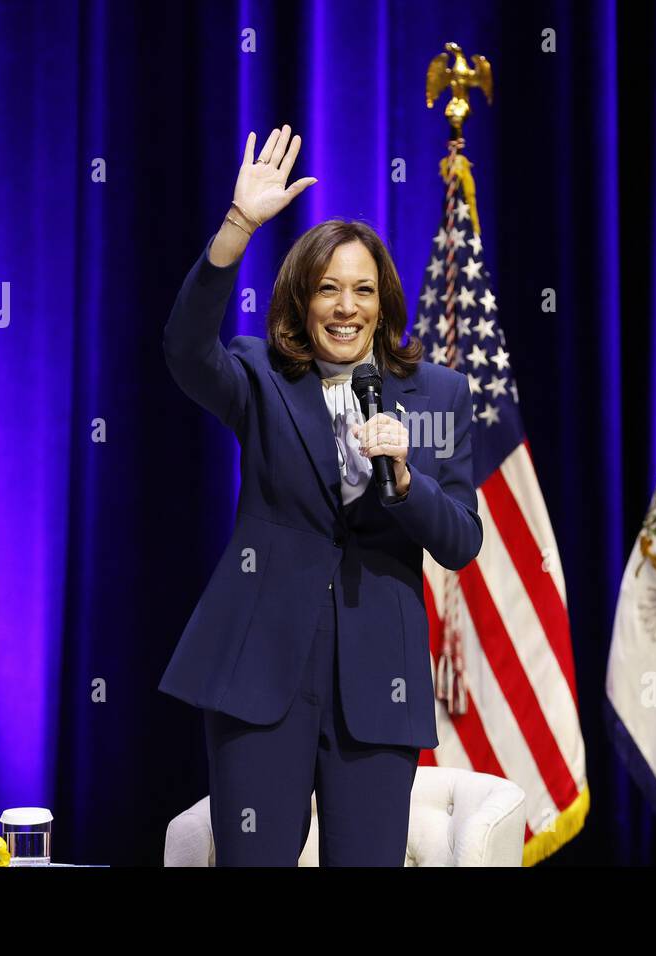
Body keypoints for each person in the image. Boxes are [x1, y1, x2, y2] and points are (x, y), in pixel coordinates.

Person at [157, 123, 483, 866]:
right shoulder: (262, 376)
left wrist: (406, 480)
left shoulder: (437, 393)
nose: (346, 307)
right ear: (302, 303)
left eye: (362, 290)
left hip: (381, 682)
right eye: (328, 290)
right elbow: (183, 349)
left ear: (383, 300)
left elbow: (461, 540)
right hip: (259, 669)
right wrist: (237, 228)